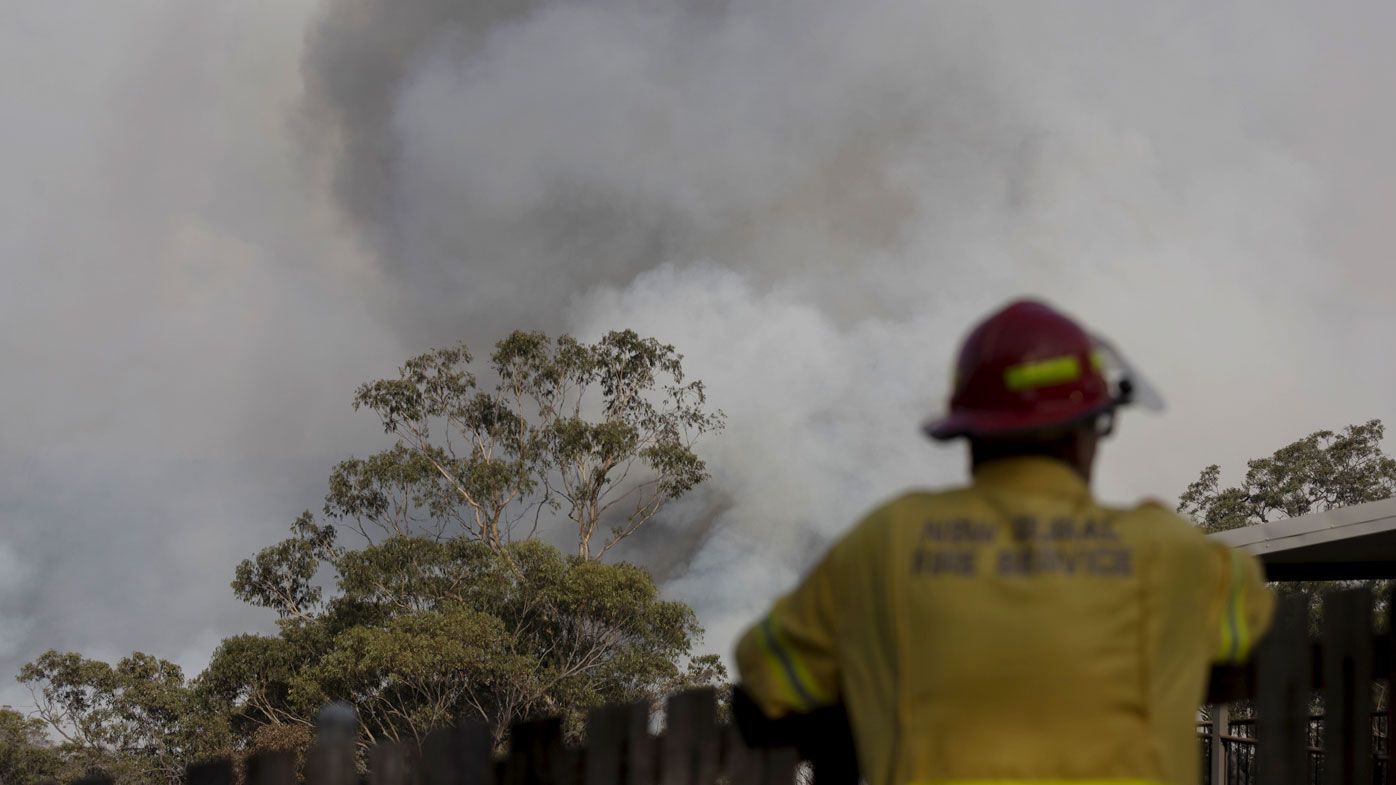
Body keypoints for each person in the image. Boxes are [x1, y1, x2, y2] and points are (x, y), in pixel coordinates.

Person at [733, 299, 1274, 785]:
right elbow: (1241, 635)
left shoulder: (885, 542)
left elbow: (769, 673)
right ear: (1090, 428)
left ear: (968, 431)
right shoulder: (1175, 553)